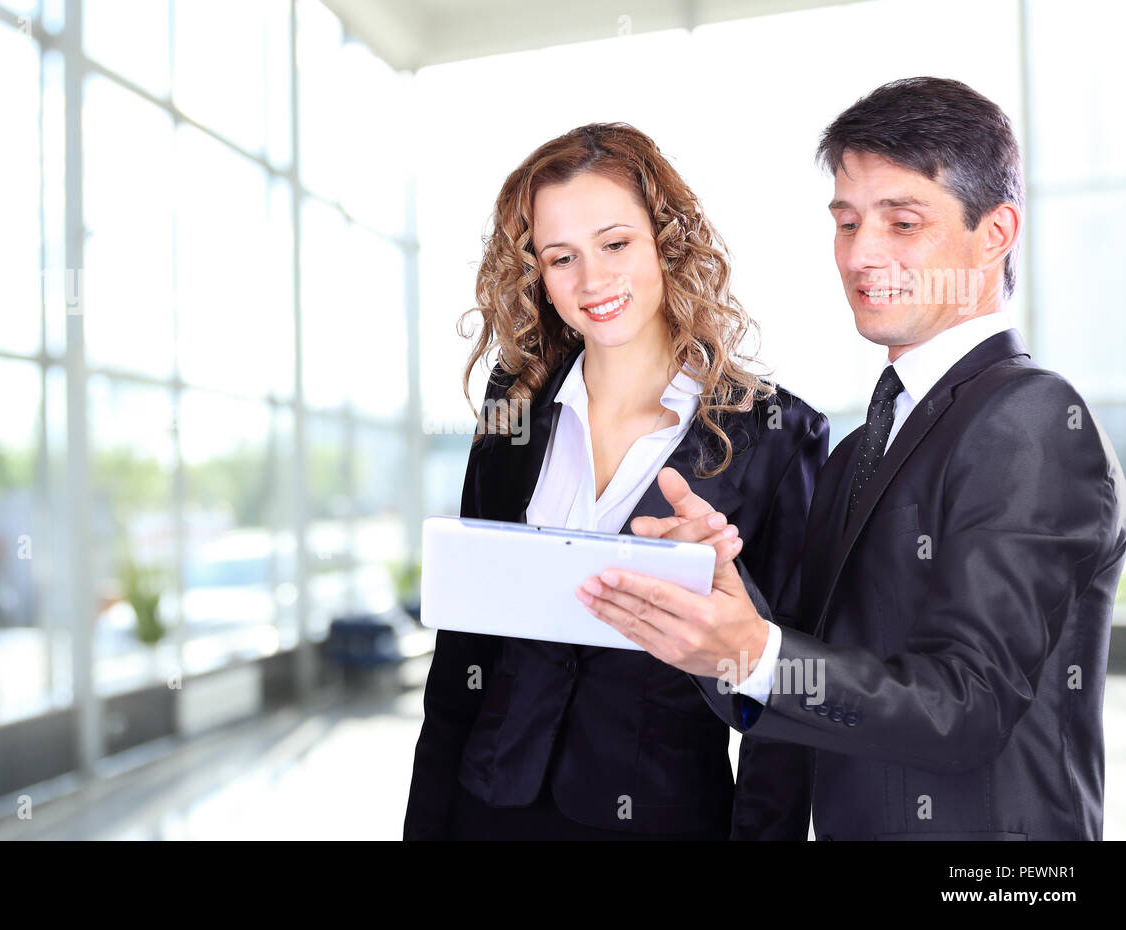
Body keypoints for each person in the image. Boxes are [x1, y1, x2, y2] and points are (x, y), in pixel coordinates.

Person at [581, 78, 1126, 840]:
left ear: (996, 231)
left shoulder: (1032, 418)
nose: (862, 254)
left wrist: (758, 651)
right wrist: (726, 607)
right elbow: (808, 684)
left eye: (903, 222)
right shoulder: (861, 449)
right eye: (846, 223)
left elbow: (964, 707)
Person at [403, 122, 829, 840]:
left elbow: (781, 716)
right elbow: (462, 658)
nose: (592, 280)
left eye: (615, 243)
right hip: (489, 810)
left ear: (666, 240)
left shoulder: (780, 437)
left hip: (663, 819)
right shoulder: (516, 409)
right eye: (560, 256)